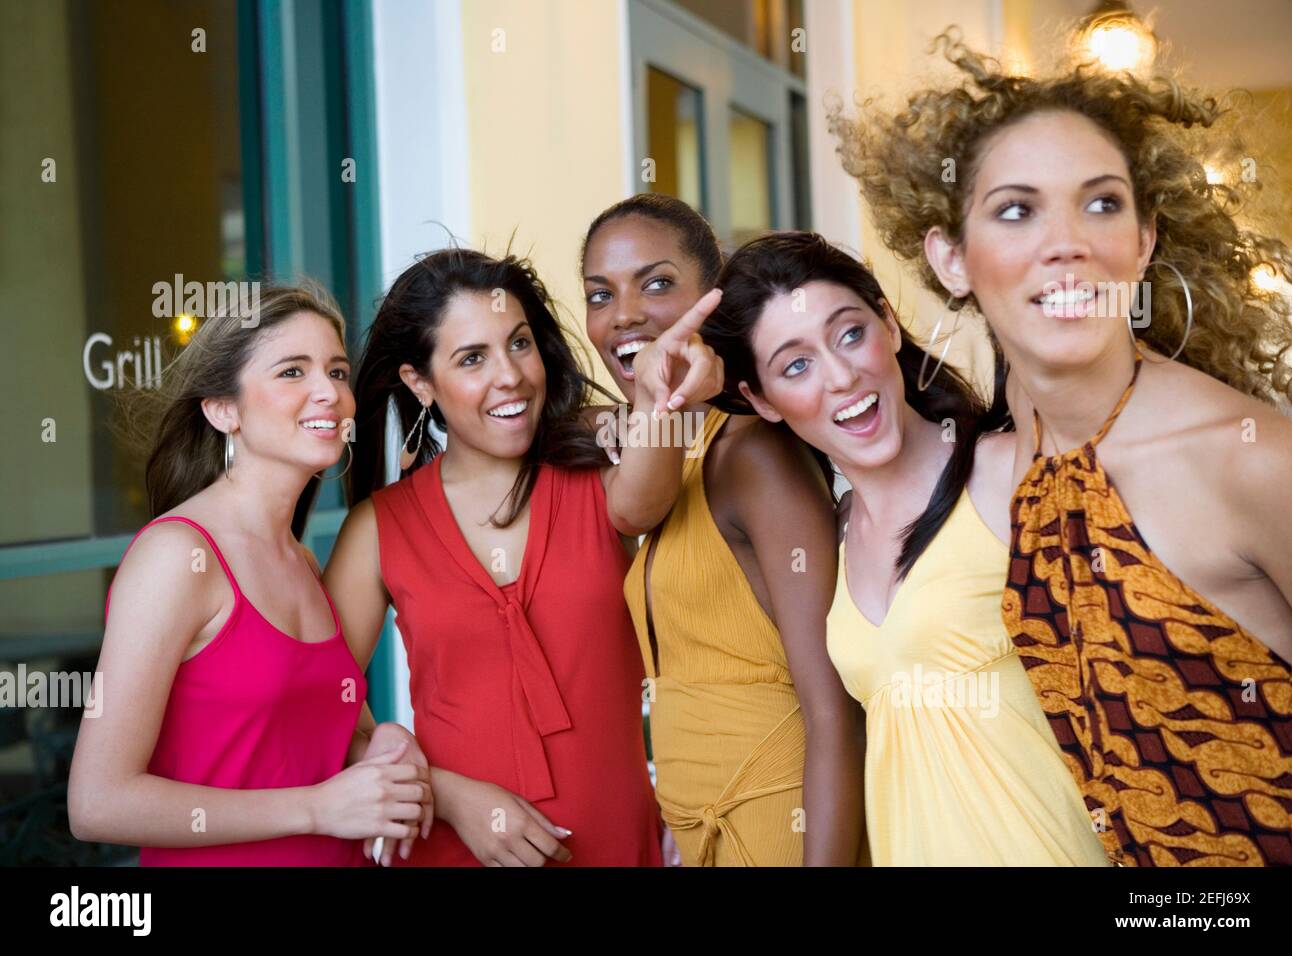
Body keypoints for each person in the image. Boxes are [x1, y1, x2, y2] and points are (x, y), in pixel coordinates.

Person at [835, 28, 1292, 865]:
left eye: (1102, 202)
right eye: (1016, 209)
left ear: (1145, 240)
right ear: (952, 258)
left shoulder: (1249, 458)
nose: (1068, 241)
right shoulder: (1019, 444)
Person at [703, 230, 1108, 865]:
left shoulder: (1007, 470)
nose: (840, 375)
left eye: (849, 333)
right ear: (761, 400)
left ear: (888, 323)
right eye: (795, 365)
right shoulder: (831, 539)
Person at [326, 247, 724, 866]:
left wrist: (654, 396)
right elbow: (323, 711)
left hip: (616, 848)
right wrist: (450, 796)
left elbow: (648, 498)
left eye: (518, 344)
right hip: (453, 853)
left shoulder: (601, 472)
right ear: (420, 383)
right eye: (471, 359)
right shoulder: (380, 528)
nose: (509, 375)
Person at [68, 282, 432, 865]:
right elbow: (97, 802)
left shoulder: (303, 561)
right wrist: (316, 808)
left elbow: (322, 738)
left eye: (338, 373)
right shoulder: (177, 558)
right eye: (293, 372)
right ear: (223, 409)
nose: (328, 393)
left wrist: (380, 744)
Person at [581, 195, 865, 866]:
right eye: (600, 294)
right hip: (705, 831)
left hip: (778, 823)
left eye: (655, 283)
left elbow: (834, 710)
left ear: (710, 299)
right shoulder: (666, 451)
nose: (623, 313)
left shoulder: (751, 452)